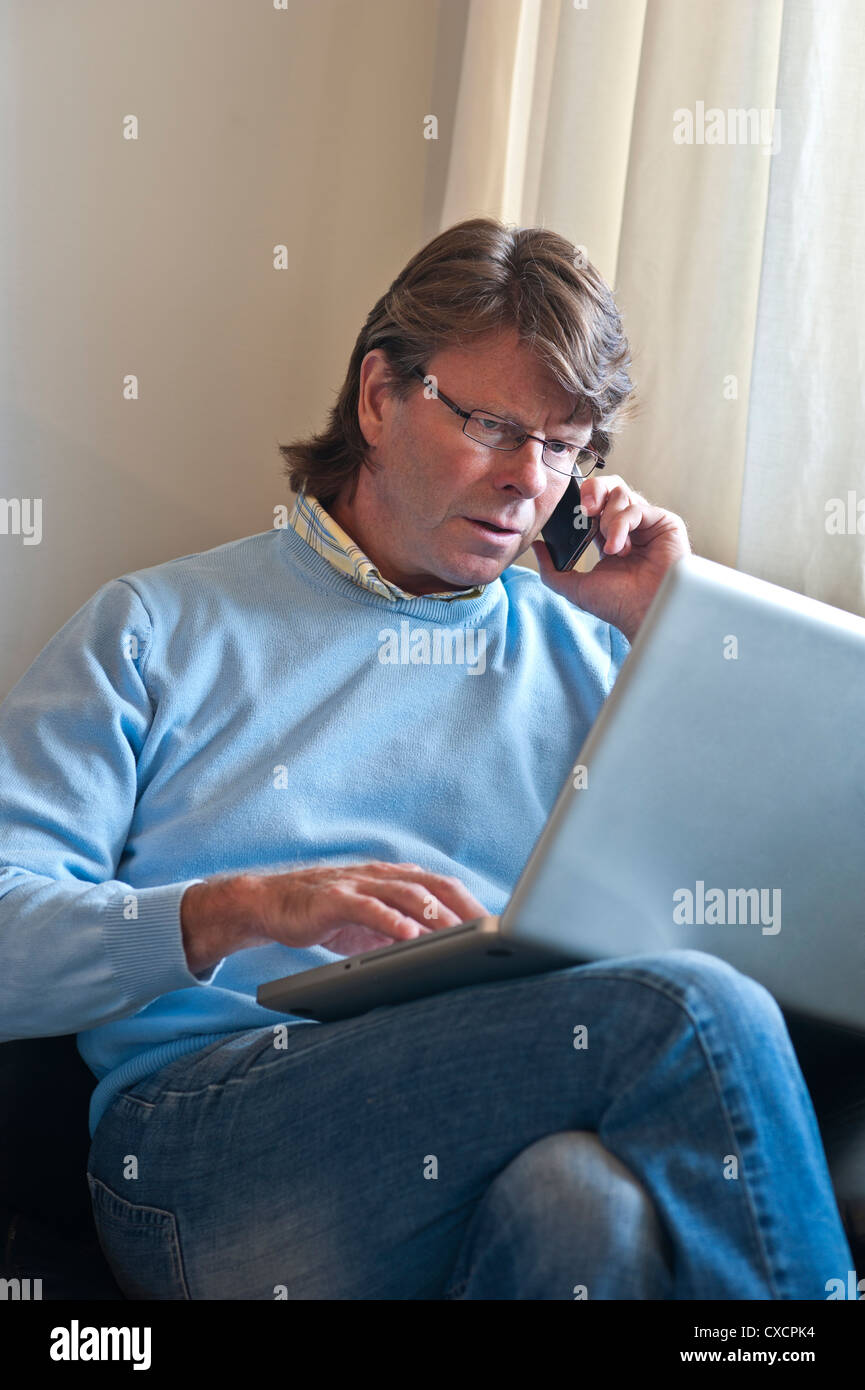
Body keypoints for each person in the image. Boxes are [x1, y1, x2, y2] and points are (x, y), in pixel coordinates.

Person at [0, 217, 856, 1300]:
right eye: (496, 426)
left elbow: (778, 901)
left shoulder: (593, 643)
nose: (526, 482)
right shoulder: (153, 628)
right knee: (685, 1012)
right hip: (209, 1145)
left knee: (579, 1207)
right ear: (377, 396)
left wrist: (666, 629)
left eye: (564, 446)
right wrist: (234, 908)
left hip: (502, 1123)